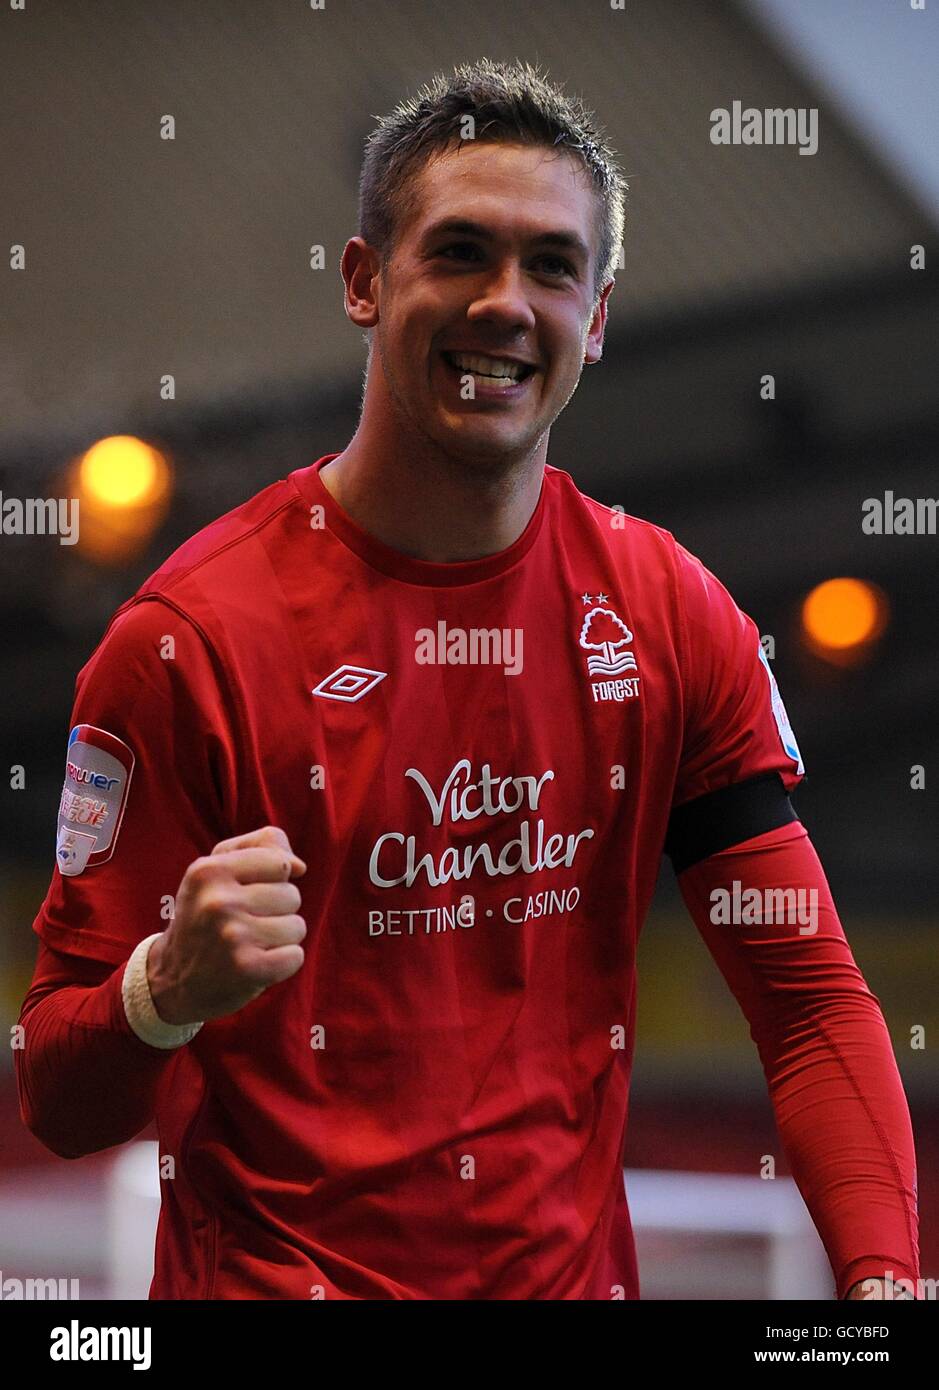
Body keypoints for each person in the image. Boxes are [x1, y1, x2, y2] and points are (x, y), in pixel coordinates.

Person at [16, 59, 918, 1301]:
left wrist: (884, 1283)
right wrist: (162, 991)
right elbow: (58, 1098)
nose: (507, 304)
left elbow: (811, 1006)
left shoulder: (668, 614)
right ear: (364, 281)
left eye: (553, 266)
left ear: (598, 317)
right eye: (460, 253)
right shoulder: (187, 642)